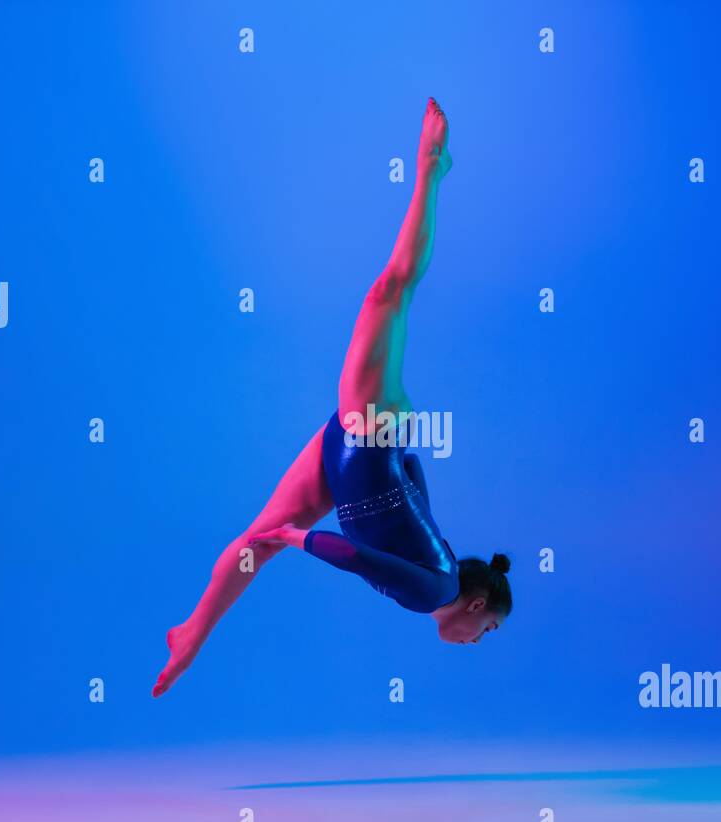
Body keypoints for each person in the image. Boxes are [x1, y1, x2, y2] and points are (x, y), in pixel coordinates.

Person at [153, 98, 512, 698]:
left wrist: (386, 475)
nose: (479, 639)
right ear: (475, 604)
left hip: (353, 454)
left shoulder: (444, 571)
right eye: (489, 629)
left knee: (252, 543)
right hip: (367, 435)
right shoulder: (438, 592)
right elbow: (359, 559)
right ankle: (430, 170)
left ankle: (191, 633)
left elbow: (416, 478)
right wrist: (300, 538)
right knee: (388, 293)